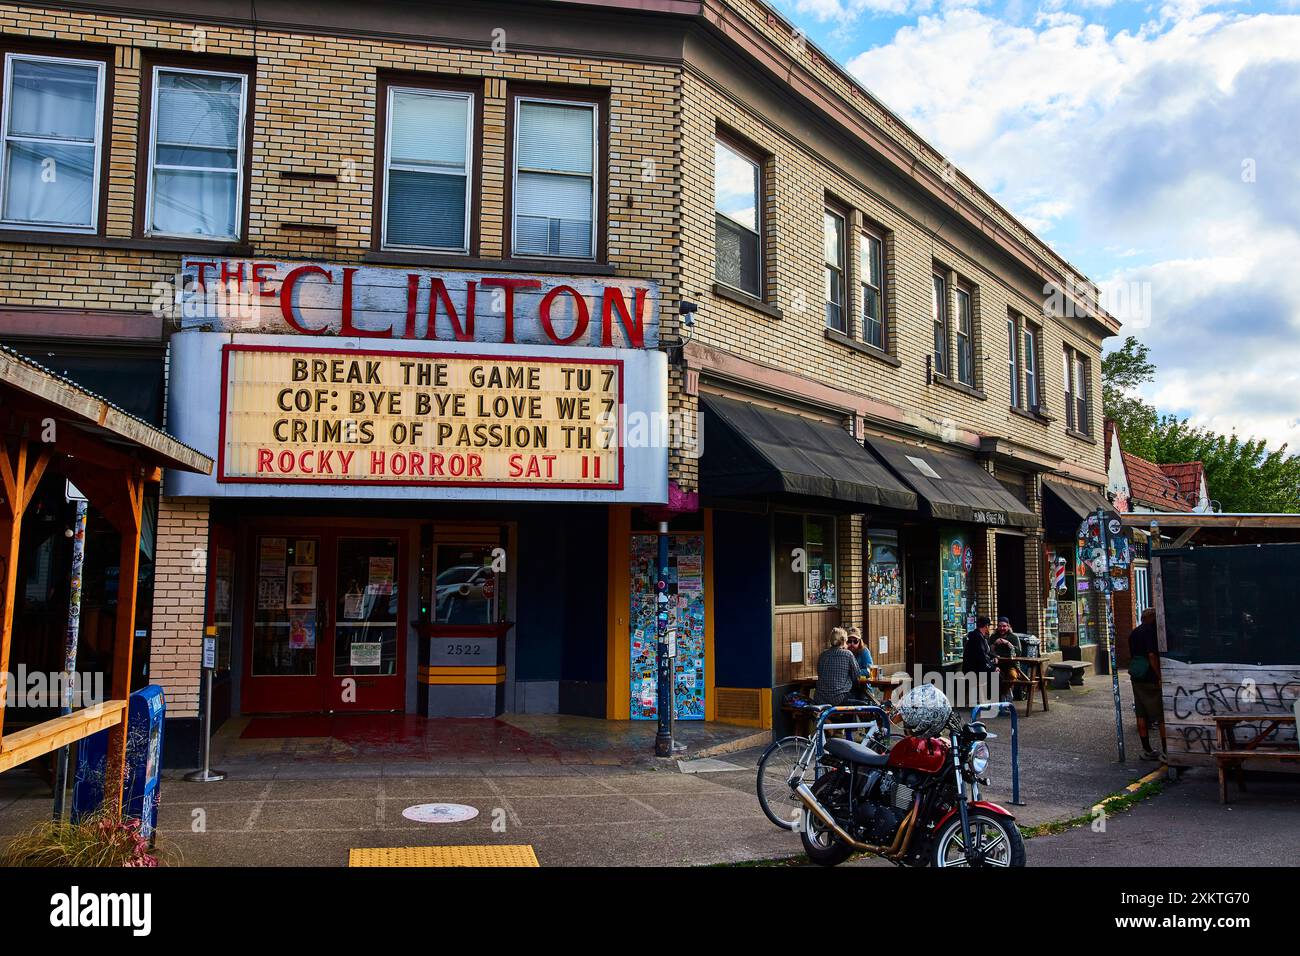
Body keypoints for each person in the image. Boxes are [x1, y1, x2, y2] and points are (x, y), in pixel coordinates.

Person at [1127, 607, 1165, 761]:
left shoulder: (1134, 633)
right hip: (1150, 676)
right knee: (1161, 715)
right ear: (1150, 617)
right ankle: (1166, 751)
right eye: (1155, 617)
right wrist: (1159, 675)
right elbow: (1151, 655)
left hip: (1137, 676)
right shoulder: (1151, 632)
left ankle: (1146, 749)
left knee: (1141, 713)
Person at [814, 626, 860, 706]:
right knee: (858, 697)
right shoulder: (848, 654)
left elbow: (819, 673)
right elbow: (857, 676)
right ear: (843, 641)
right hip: (839, 699)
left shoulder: (823, 655)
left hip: (820, 699)